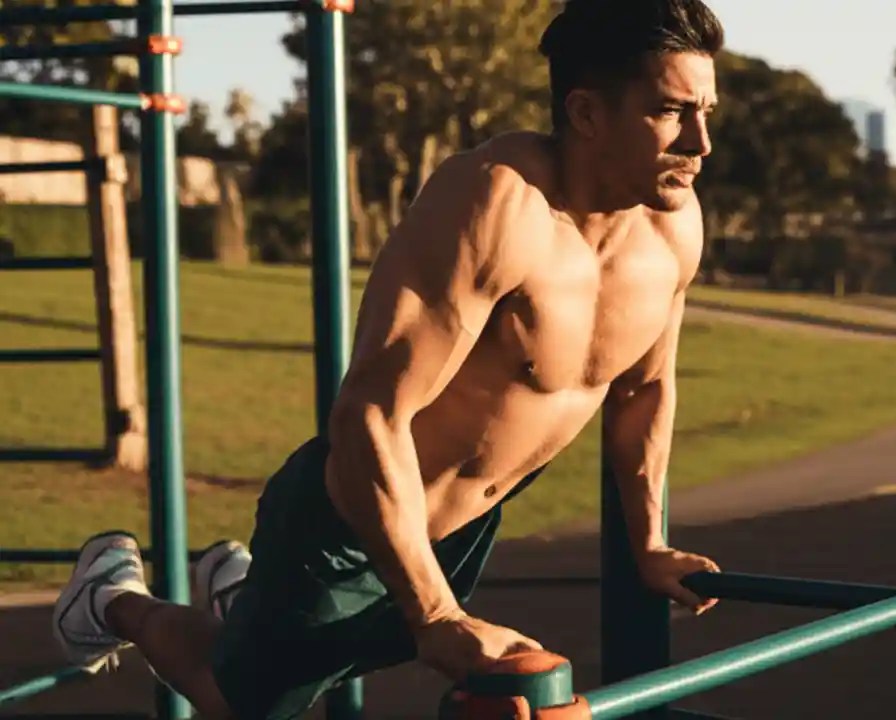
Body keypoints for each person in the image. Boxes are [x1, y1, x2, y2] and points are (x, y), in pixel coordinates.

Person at [51, 0, 727, 718]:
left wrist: (649, 545)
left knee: (347, 653)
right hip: (348, 522)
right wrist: (433, 613)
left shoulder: (673, 228)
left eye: (708, 110)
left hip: (461, 529)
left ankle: (241, 593)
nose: (703, 142)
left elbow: (643, 392)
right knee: (235, 699)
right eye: (672, 112)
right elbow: (372, 410)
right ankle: (110, 597)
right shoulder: (496, 203)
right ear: (588, 114)